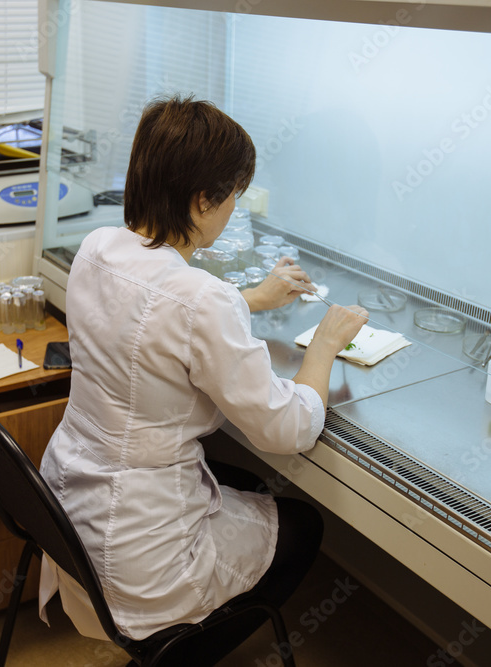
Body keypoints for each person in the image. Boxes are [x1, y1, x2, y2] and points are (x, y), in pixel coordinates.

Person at [37, 95, 369, 665]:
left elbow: (151, 315)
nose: (235, 208)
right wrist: (327, 345)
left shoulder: (97, 248)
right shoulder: (200, 298)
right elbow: (285, 428)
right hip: (142, 544)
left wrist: (254, 299)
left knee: (244, 489)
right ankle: (177, 655)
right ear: (202, 200)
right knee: (304, 526)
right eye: (233, 194)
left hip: (73, 501)